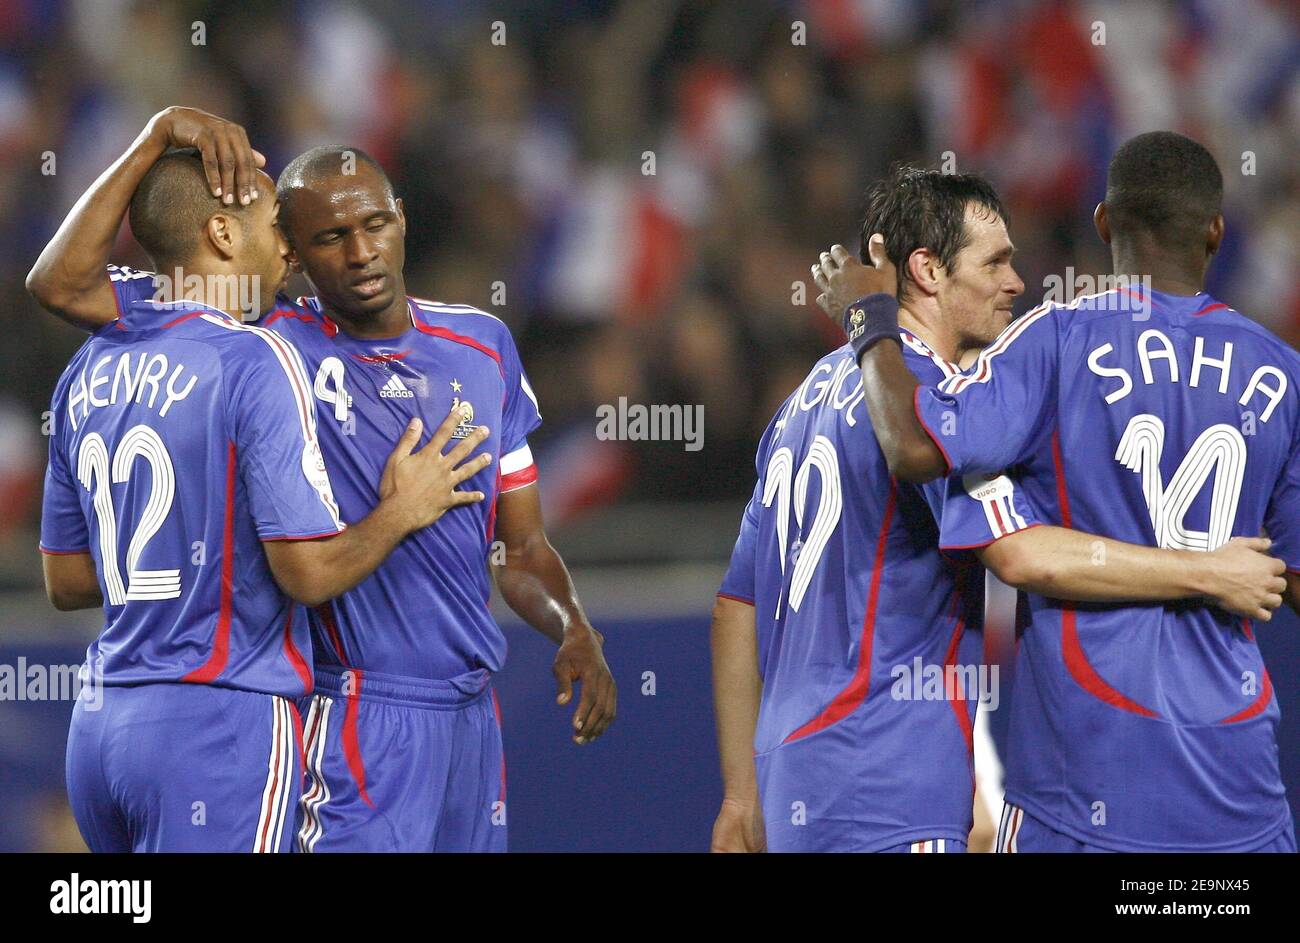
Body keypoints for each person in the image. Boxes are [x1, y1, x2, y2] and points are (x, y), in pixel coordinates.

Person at [29, 107, 616, 853]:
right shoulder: (264, 341)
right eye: (327, 237)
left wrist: (576, 630)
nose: (363, 251)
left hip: (471, 714)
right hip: (344, 709)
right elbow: (64, 284)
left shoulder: (484, 345)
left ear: (401, 219)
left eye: (375, 224)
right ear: (296, 253)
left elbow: (524, 546)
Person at [710, 164, 1287, 853]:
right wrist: (1209, 570)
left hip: (790, 781)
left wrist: (742, 794)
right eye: (997, 262)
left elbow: (735, 606)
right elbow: (1022, 551)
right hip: (889, 782)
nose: (1016, 282)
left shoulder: (797, 406)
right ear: (926, 270)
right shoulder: (933, 399)